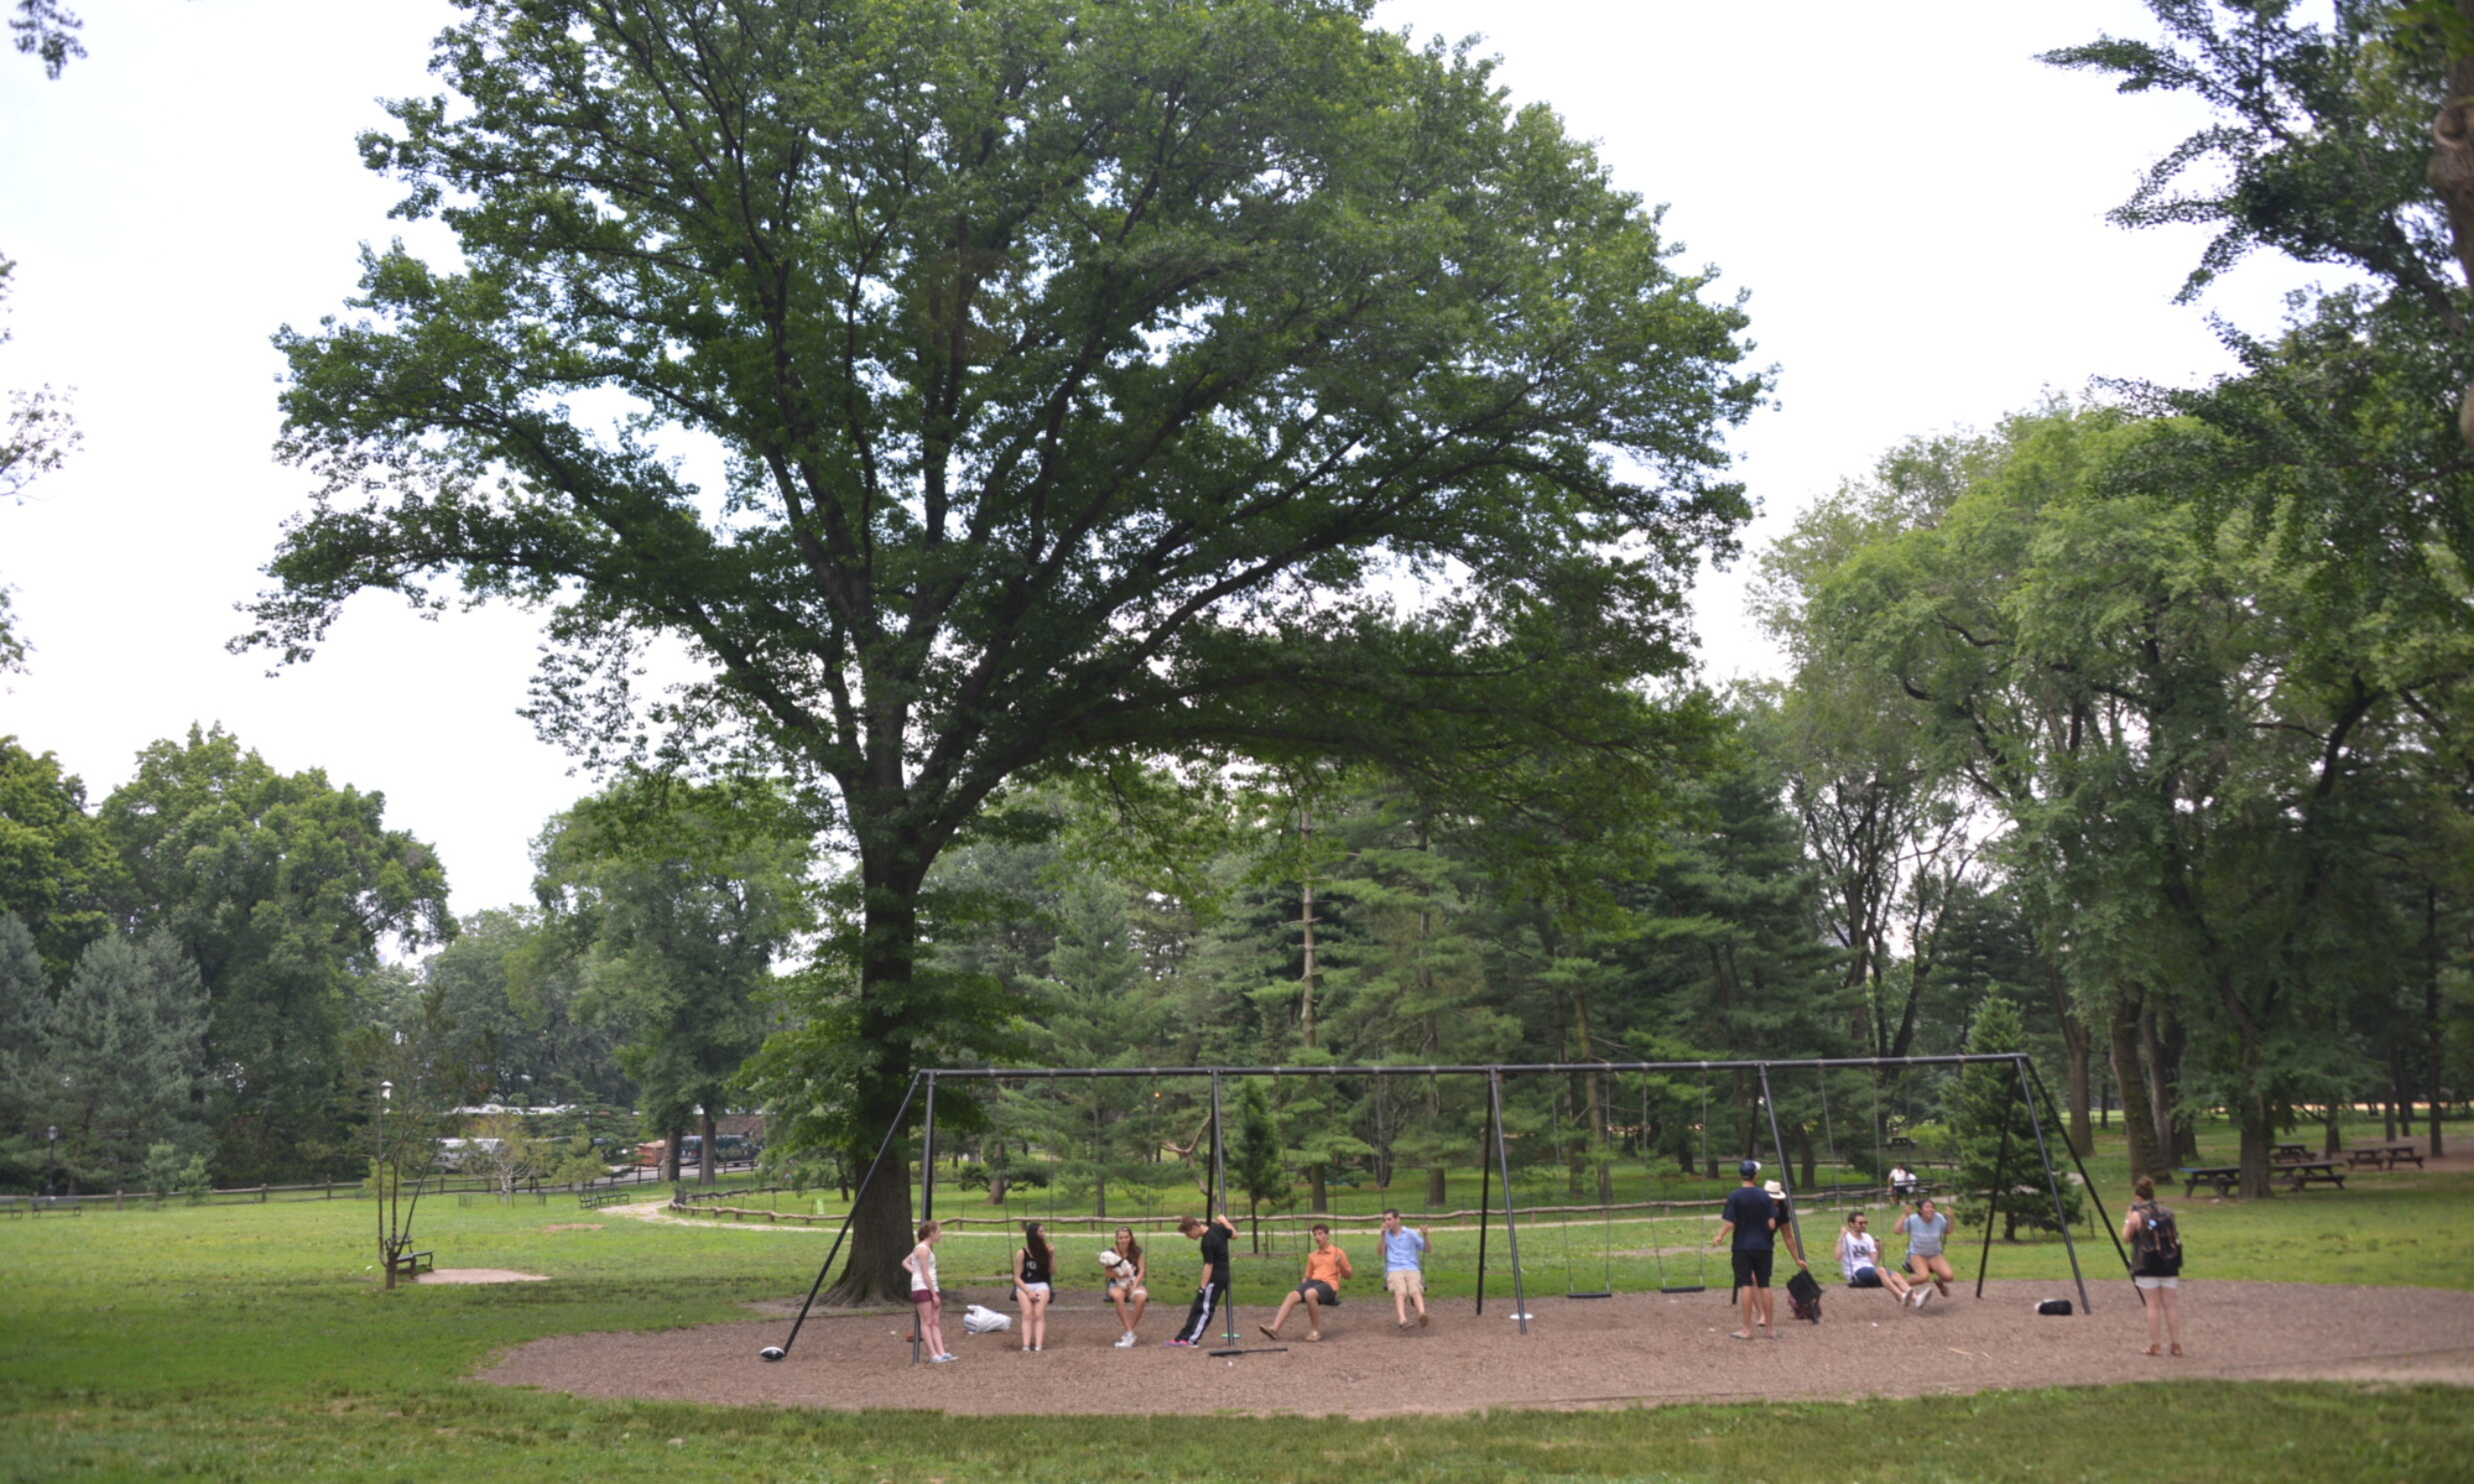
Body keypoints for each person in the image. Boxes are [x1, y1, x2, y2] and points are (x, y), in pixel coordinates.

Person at [1710, 1158, 1779, 1340]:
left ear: (1740, 1175)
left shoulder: (1735, 1196)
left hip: (1742, 1246)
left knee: (1746, 1285)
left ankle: (1747, 1329)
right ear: (1755, 1176)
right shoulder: (1765, 1196)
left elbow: (1730, 1223)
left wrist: (1720, 1236)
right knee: (1764, 1284)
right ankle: (1770, 1330)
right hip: (1764, 1246)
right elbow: (1772, 1224)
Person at [2123, 1175, 2185, 1357]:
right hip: (2169, 1261)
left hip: (2147, 1262)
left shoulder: (2137, 1215)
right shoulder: (2167, 1212)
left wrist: (2128, 1218)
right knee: (2171, 1304)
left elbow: (2126, 1237)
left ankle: (2155, 1345)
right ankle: (2175, 1344)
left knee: (2152, 1305)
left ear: (2138, 1196)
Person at [1259, 1222, 1352, 1341]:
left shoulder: (1338, 1253)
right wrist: (1301, 1287)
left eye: (1320, 1234)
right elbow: (1307, 1276)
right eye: (1315, 1235)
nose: (1317, 1237)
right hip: (1312, 1282)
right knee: (1292, 1295)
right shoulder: (1312, 1256)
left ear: (1327, 1235)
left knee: (1310, 1293)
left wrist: (1340, 1263)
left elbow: (1349, 1275)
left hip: (1329, 1285)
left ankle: (1315, 1331)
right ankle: (1274, 1329)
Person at [1168, 1212, 1237, 1347]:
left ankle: (1192, 1339)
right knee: (1196, 1307)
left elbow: (1208, 1265)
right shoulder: (1217, 1228)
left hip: (1216, 1278)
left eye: (1188, 1234)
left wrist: (1203, 1287)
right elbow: (1234, 1234)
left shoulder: (1207, 1242)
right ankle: (1182, 1336)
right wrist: (1224, 1221)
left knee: (1205, 1309)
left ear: (1194, 1228)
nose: (1189, 1238)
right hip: (1216, 1277)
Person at [1834, 1210, 1915, 1304]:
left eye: (1865, 1223)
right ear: (1851, 1224)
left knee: (1895, 1275)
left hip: (1869, 1269)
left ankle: (1916, 1298)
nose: (1864, 1225)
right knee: (1881, 1270)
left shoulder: (1867, 1237)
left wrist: (1878, 1249)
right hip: (1856, 1272)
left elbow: (1874, 1261)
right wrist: (1841, 1236)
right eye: (1860, 1223)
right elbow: (1837, 1257)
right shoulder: (1846, 1238)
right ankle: (1900, 1295)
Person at [903, 1219, 955, 1363]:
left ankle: (942, 1352)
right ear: (931, 1233)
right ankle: (933, 1354)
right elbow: (924, 1274)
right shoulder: (922, 1250)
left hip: (931, 1286)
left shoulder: (923, 1249)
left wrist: (915, 1272)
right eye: (939, 1232)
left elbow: (906, 1262)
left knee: (935, 1321)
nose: (940, 1235)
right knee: (927, 1321)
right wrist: (932, 1293)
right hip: (923, 1288)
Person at [1377, 1208, 1431, 1330]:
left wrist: (1425, 1236)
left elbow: (1427, 1249)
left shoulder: (1410, 1234)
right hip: (1394, 1268)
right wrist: (1381, 1235)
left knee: (1415, 1289)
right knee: (1400, 1291)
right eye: (1385, 1219)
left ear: (1398, 1219)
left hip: (1411, 1267)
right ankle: (1402, 1319)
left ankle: (1422, 1314)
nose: (1386, 1222)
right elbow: (1380, 1252)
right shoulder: (1385, 1235)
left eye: (1389, 1219)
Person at [1894, 1196, 1954, 1302]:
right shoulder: (1913, 1219)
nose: (1931, 1210)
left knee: (1949, 1276)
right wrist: (1905, 1215)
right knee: (1923, 1277)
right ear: (1920, 1210)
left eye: (1932, 1207)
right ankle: (1902, 1287)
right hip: (1918, 1254)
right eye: (1927, 1207)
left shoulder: (1939, 1218)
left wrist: (1951, 1218)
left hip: (1934, 1253)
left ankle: (1939, 1282)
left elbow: (1948, 1231)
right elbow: (1897, 1231)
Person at [1012, 1220, 1055, 1353]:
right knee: (1027, 1314)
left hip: (1041, 1284)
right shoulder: (1022, 1253)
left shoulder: (1046, 1251)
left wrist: (1052, 1256)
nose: (1044, 1234)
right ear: (1033, 1234)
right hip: (1024, 1285)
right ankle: (1025, 1345)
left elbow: (1052, 1272)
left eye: (1043, 1231)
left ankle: (1038, 1345)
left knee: (1038, 1313)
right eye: (1041, 1231)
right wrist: (1028, 1291)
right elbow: (1016, 1277)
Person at [1105, 1226, 1149, 1348]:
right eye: (1121, 1238)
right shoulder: (1110, 1253)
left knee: (1141, 1297)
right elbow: (1108, 1273)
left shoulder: (1136, 1251)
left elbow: (1142, 1270)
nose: (1124, 1240)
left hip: (1133, 1281)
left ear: (1130, 1237)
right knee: (1118, 1297)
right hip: (1116, 1282)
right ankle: (1129, 1333)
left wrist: (1135, 1284)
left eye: (1126, 1237)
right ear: (1117, 1239)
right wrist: (1123, 1273)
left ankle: (1129, 1332)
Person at [1762, 1179, 1811, 1271]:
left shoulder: (1781, 1209)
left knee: (1762, 1277)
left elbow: (1788, 1236)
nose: (1774, 1201)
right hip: (1748, 1244)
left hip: (1766, 1246)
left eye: (1776, 1198)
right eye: (1771, 1198)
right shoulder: (1755, 1205)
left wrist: (1797, 1259)